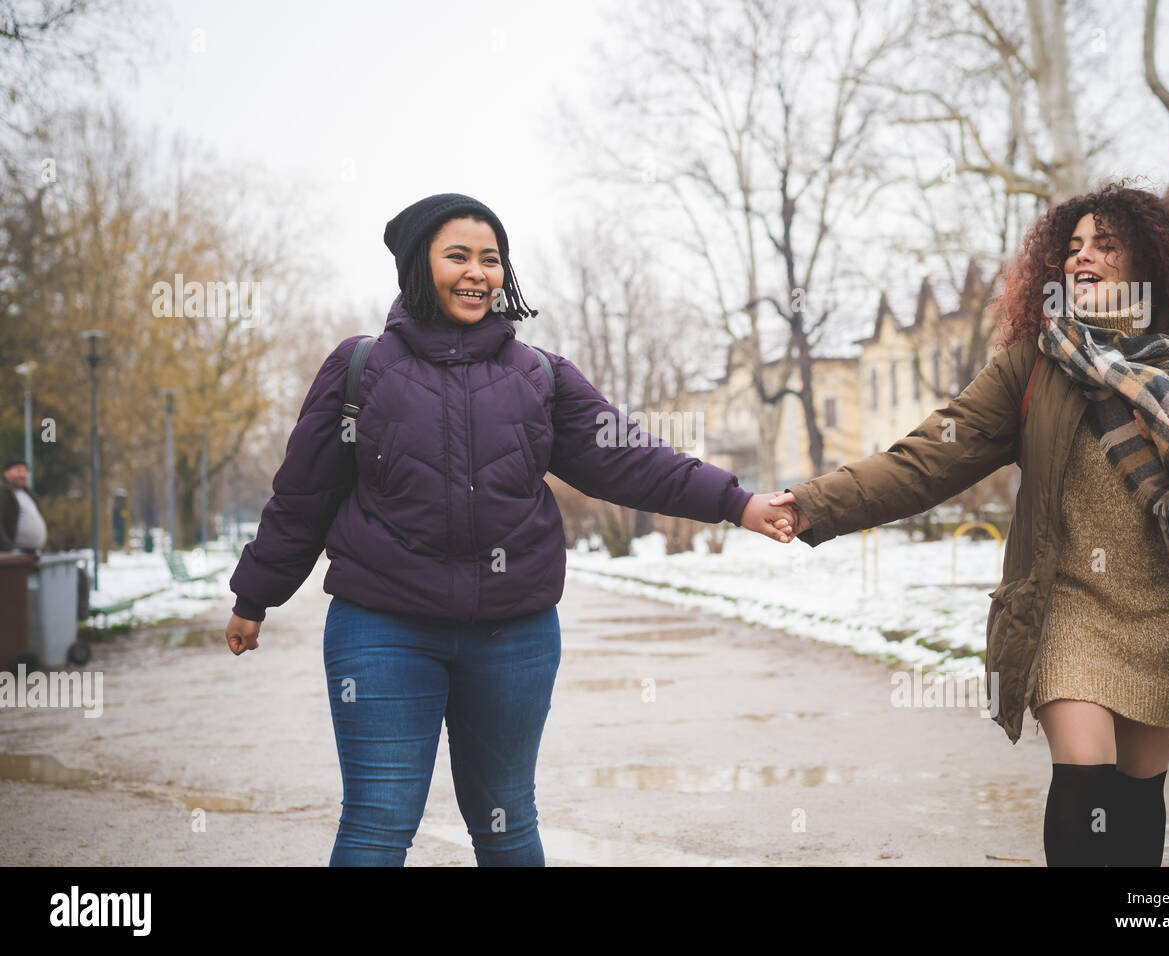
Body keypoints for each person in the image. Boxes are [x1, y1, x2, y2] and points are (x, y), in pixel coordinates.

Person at [225, 193, 797, 867]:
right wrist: (254, 596)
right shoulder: (362, 367)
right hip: (382, 627)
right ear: (419, 266)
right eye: (457, 256)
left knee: (504, 819)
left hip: (513, 633)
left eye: (490, 259)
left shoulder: (540, 376)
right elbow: (304, 493)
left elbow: (629, 458)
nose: (477, 273)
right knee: (379, 818)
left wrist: (737, 503)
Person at [773, 182, 1169, 867]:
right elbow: (928, 457)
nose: (1084, 257)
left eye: (1106, 245)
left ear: (1149, 263)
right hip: (1065, 606)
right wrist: (813, 503)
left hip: (1163, 612)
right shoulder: (1036, 365)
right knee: (1085, 777)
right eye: (1073, 246)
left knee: (1137, 804)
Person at [1, 456, 47, 553]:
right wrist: (9, 549)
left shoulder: (28, 492)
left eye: (25, 471)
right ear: (6, 472)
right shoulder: (3, 492)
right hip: (13, 556)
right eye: (18, 470)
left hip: (32, 553)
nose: (22, 475)